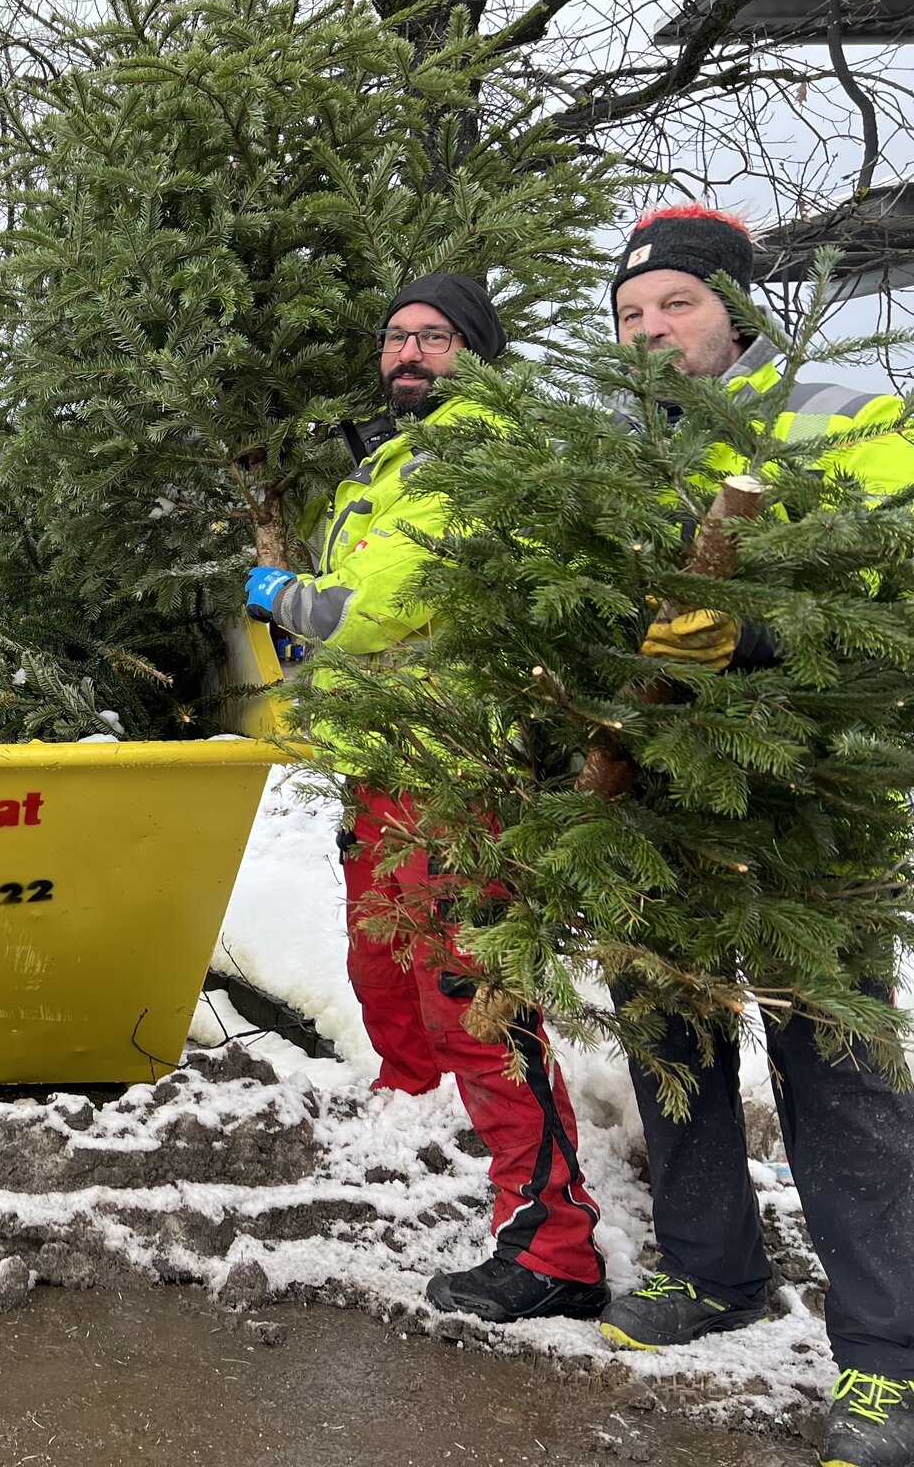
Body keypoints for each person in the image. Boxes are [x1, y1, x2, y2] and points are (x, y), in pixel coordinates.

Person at [605, 204, 914, 1467]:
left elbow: (887, 580)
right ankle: (710, 1269)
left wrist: (750, 628)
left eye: (672, 303)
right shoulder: (621, 465)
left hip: (809, 799)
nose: (648, 332)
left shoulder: (841, 410)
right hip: (660, 802)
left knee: (832, 1061)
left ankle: (888, 1359)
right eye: (626, 316)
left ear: (735, 307)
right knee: (664, 1027)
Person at [243, 275, 610, 1323]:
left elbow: (361, 616)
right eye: (394, 336)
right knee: (384, 976)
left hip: (458, 772)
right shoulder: (385, 462)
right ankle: (408, 1138)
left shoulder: (472, 455)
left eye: (434, 337)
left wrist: (276, 596)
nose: (408, 353)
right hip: (383, 766)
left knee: (474, 1004)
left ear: (476, 351)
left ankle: (554, 1245)